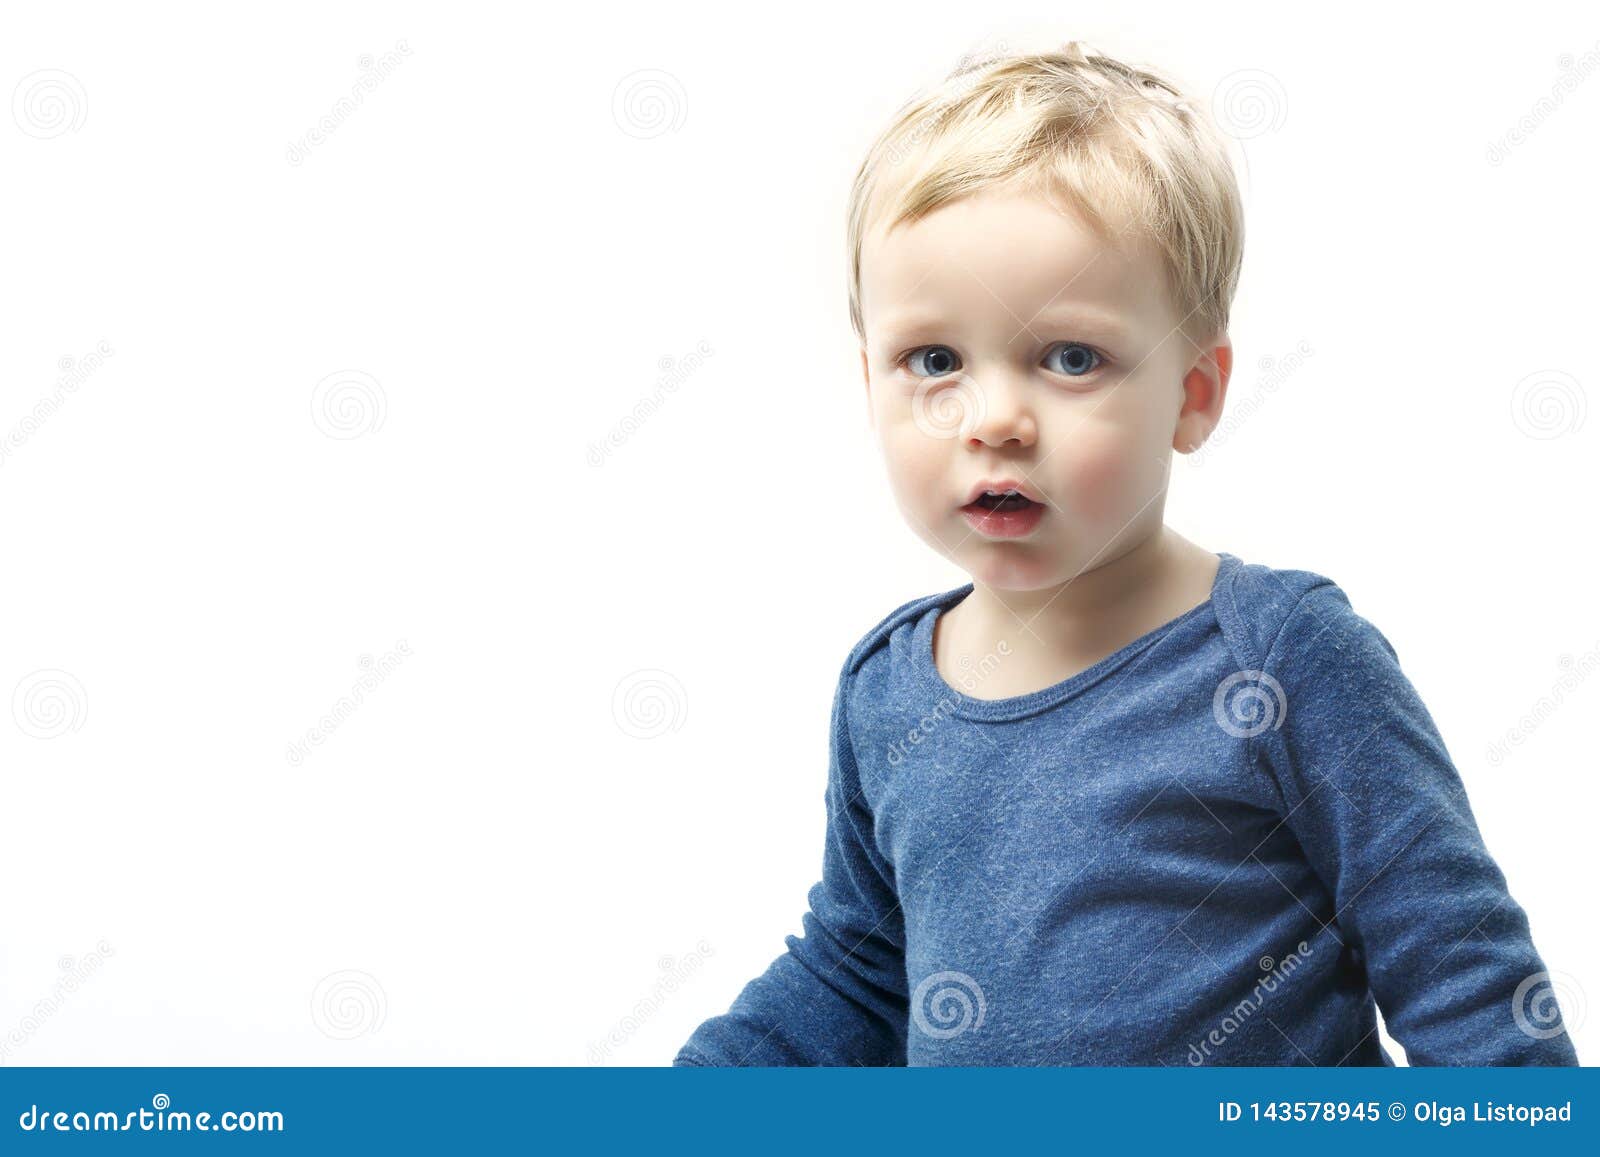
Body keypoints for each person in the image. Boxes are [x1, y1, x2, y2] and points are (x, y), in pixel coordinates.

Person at [673, 41, 1578, 1067]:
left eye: (1070, 358)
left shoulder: (1281, 658)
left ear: (1192, 394)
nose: (995, 419)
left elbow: (1459, 970)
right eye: (934, 359)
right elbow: (856, 969)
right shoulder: (886, 691)